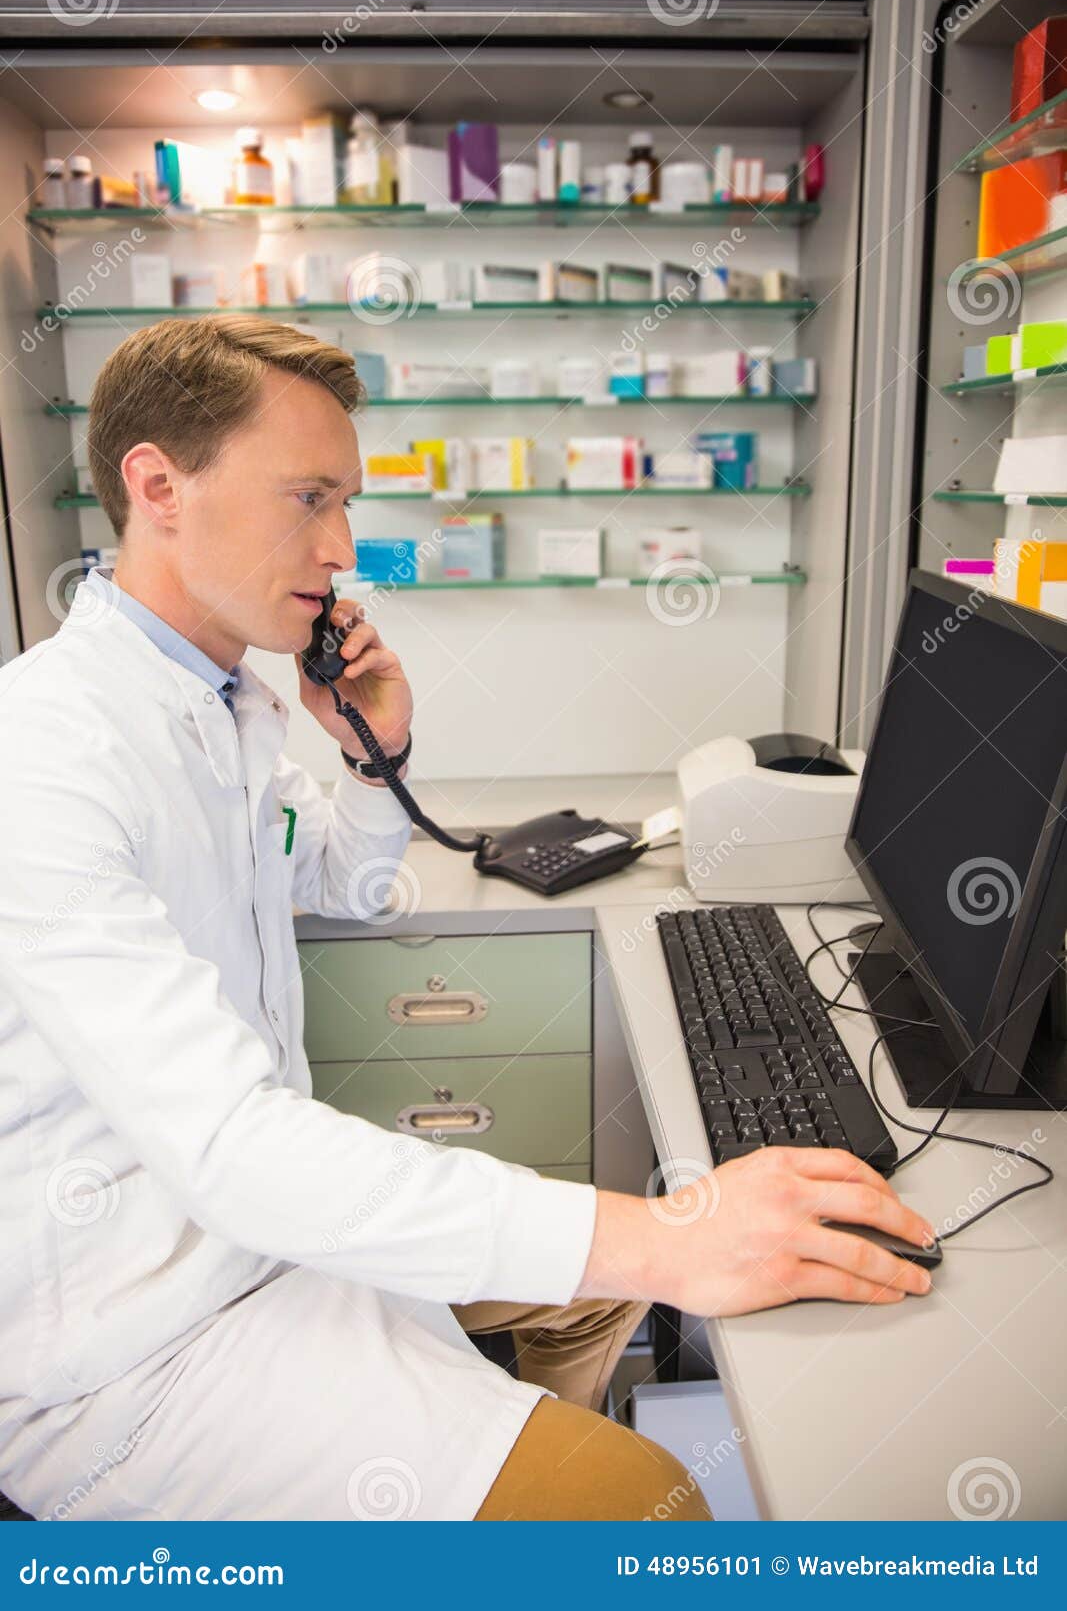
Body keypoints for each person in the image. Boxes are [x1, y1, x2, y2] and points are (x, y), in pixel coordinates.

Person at [0, 317, 935, 1523]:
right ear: (157, 485)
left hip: (265, 1244)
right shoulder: (46, 751)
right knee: (644, 1504)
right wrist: (665, 1232)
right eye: (309, 497)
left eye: (346, 501)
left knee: (593, 1293)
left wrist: (370, 757)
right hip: (135, 1346)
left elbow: (335, 877)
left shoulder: (220, 696)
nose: (340, 547)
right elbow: (232, 1149)